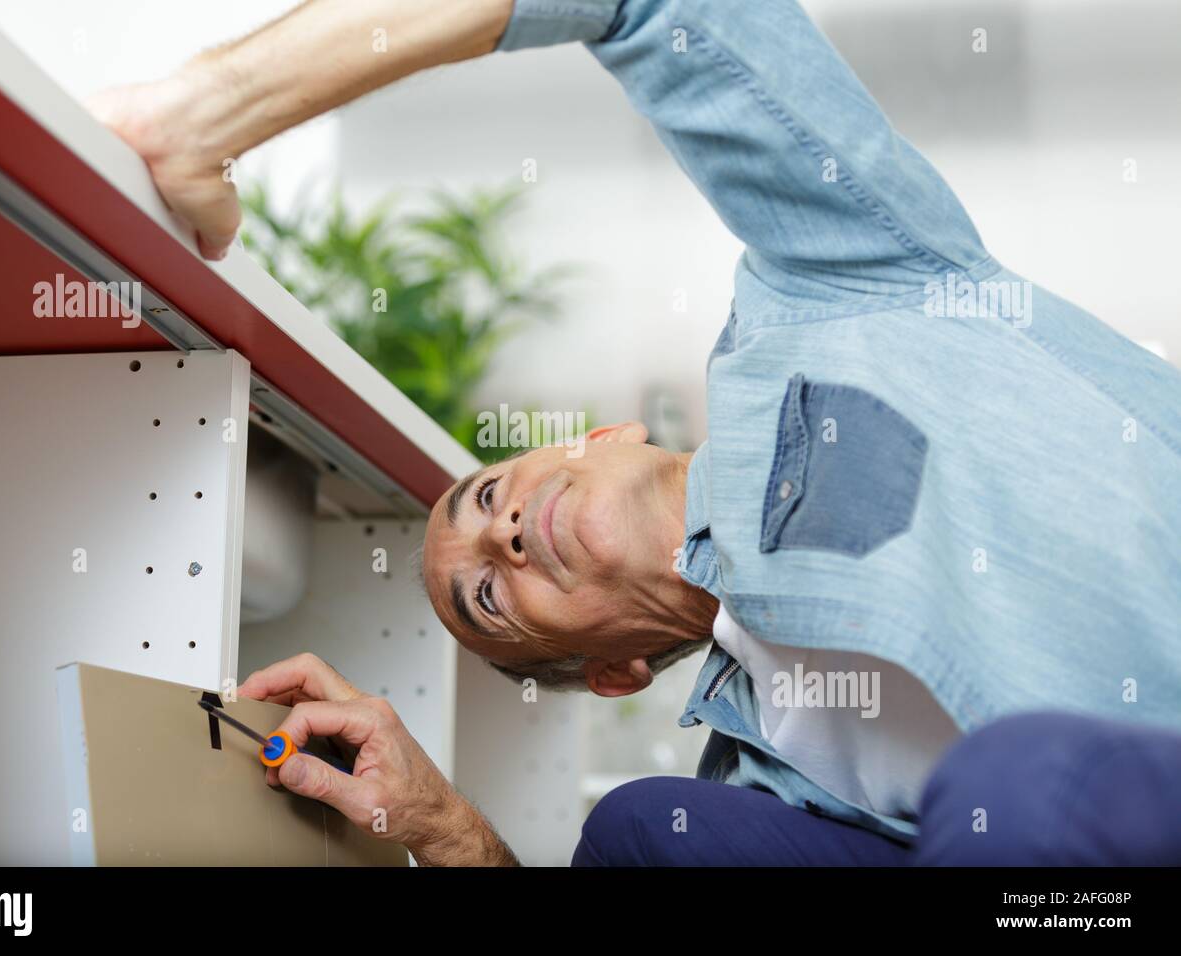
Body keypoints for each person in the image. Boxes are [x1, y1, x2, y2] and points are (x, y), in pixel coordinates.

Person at [94, 0, 1181, 865]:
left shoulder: (836, 294)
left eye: (487, 495)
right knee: (640, 830)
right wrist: (440, 824)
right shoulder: (758, 805)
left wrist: (207, 110)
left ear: (600, 434)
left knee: (1018, 783)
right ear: (613, 671)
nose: (502, 536)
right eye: (485, 594)